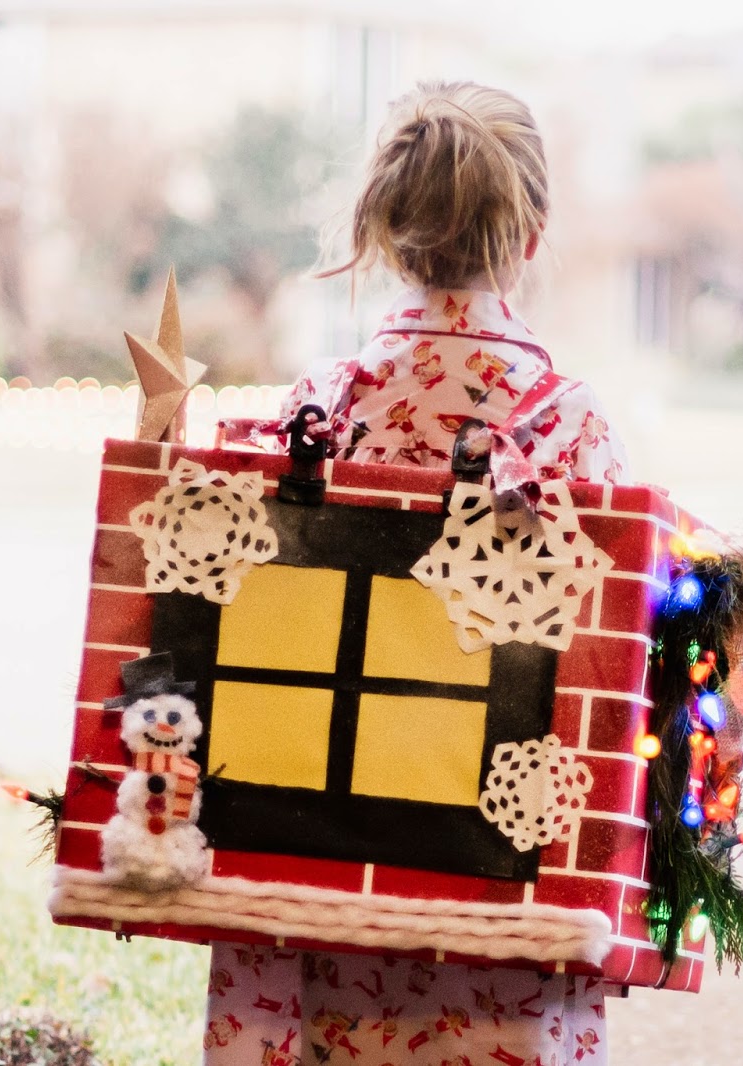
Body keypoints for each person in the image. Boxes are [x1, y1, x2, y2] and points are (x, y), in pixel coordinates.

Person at [209, 80, 628, 1066]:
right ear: (531, 236)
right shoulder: (565, 428)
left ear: (387, 231)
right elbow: (608, 688)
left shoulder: (317, 413)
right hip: (502, 904)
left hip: (310, 890)